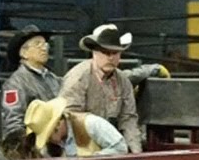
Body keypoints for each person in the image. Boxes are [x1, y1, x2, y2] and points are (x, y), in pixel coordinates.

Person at [59, 24, 143, 152]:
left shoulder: (123, 81)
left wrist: (136, 153)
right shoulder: (78, 78)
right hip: (81, 146)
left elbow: (128, 119)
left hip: (110, 144)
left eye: (115, 52)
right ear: (94, 53)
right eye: (105, 52)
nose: (111, 57)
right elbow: (69, 118)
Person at [0, 24, 59, 141]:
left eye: (45, 44)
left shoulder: (53, 78)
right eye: (38, 44)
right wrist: (28, 146)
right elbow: (13, 123)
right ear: (23, 53)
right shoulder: (15, 84)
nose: (44, 48)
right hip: (34, 143)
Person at [25, 97, 127, 157]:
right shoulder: (48, 148)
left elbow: (120, 148)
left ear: (57, 124)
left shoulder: (91, 123)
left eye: (48, 135)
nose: (47, 140)